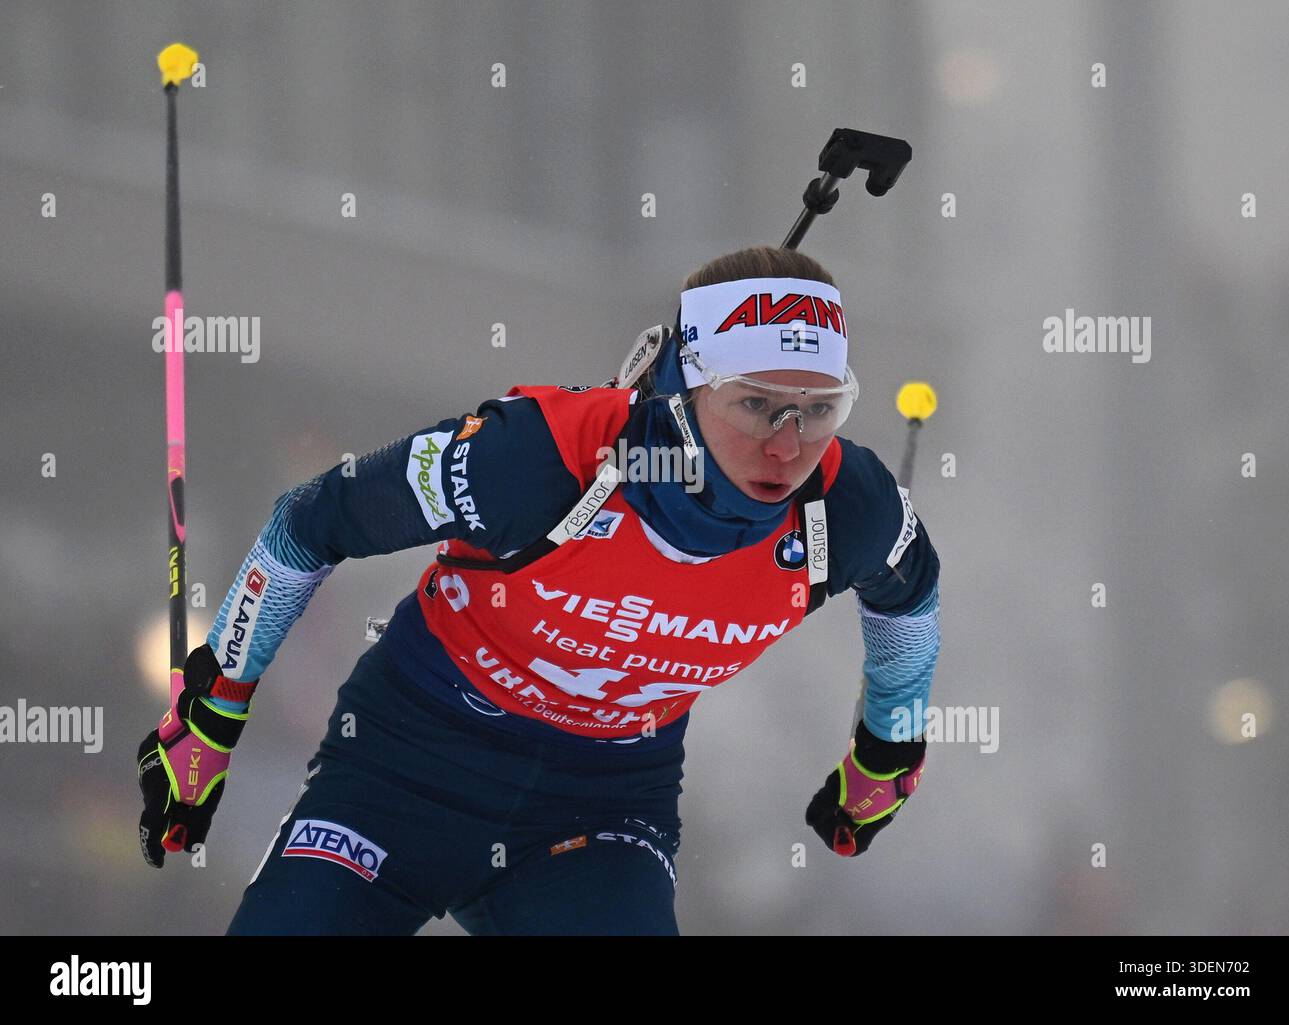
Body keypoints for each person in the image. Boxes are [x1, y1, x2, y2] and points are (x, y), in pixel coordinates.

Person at [136, 244, 941, 935]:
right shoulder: (539, 459)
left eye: (819, 408)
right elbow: (311, 522)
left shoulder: (846, 506)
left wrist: (887, 749)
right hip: (412, 764)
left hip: (601, 803)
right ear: (686, 387)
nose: (787, 444)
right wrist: (213, 711)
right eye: (757, 405)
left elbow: (910, 597)